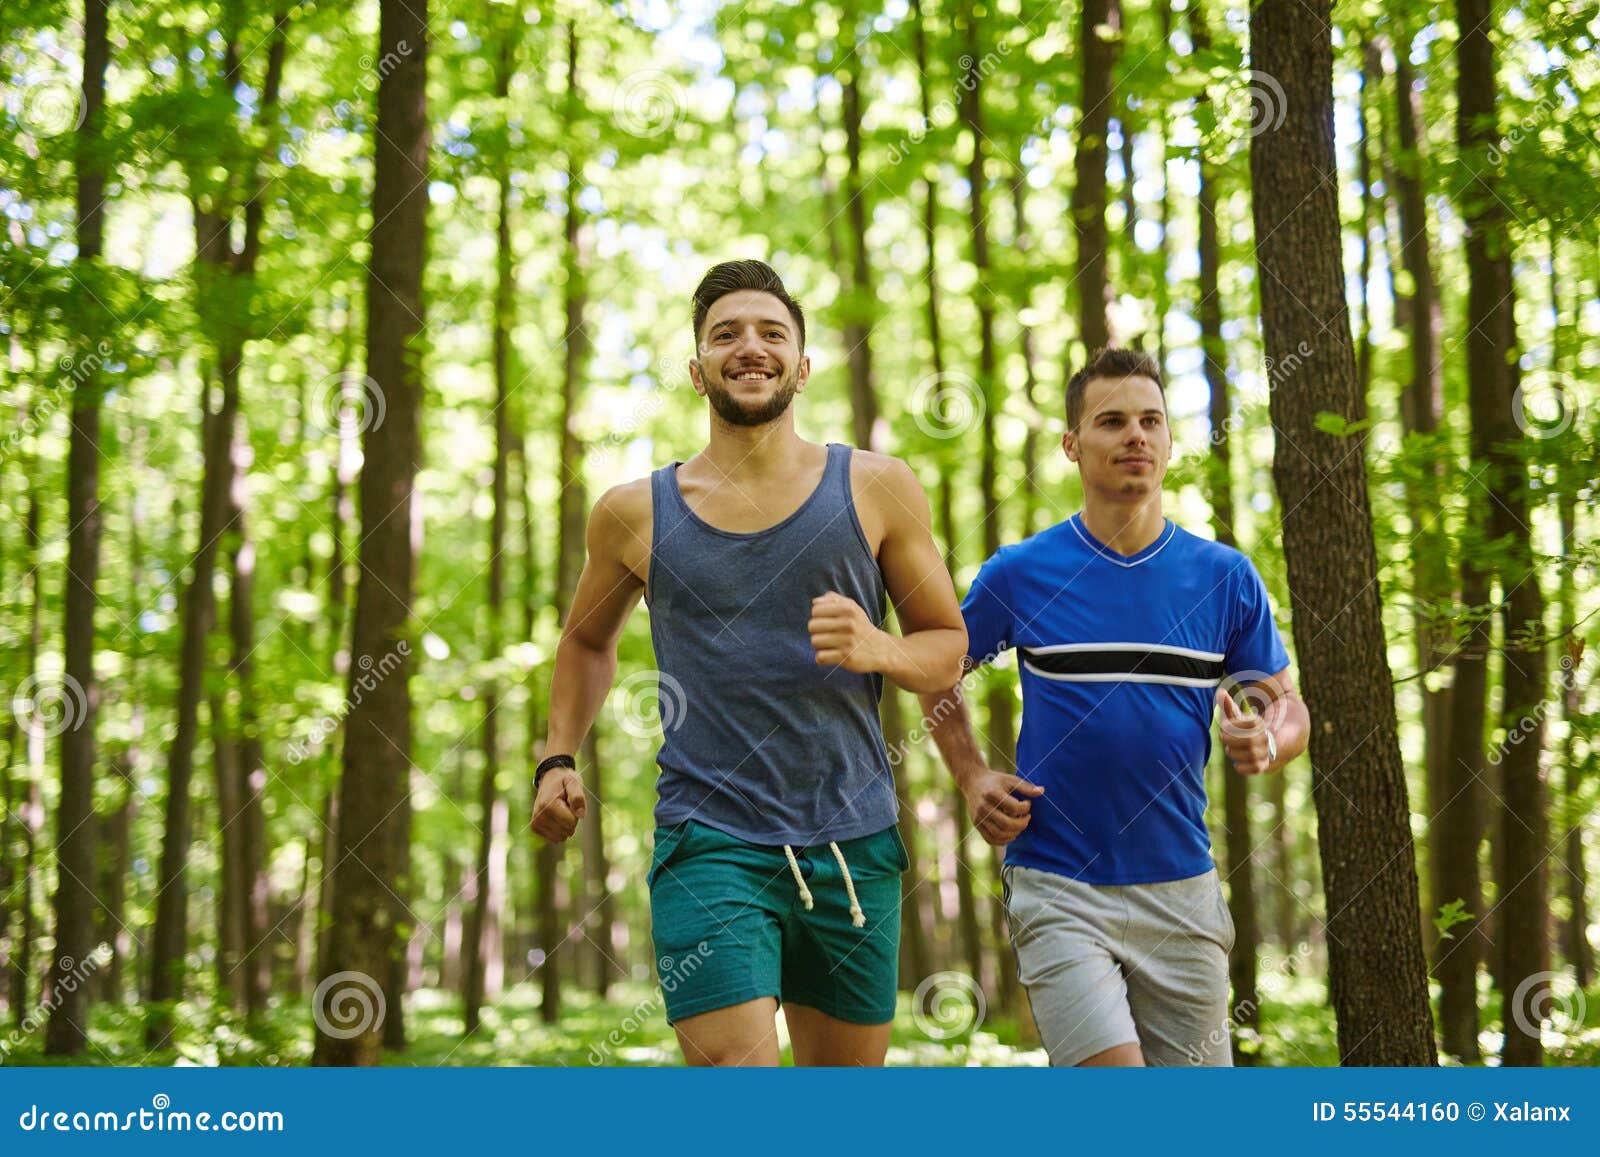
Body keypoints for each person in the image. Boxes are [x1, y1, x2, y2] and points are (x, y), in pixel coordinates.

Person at [530, 259, 966, 1066]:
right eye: (725, 333)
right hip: (710, 837)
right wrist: (558, 753)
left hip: (853, 840)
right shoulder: (633, 512)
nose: (749, 346)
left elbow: (947, 645)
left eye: (772, 331)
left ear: (802, 366)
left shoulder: (877, 486)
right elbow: (586, 640)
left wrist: (881, 647)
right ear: (698, 371)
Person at [919, 346, 1310, 1067]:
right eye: (1112, 421)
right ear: (1073, 444)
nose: (1135, 434)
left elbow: (1286, 704)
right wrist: (972, 775)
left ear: (1169, 441)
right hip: (1058, 884)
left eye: (1150, 420)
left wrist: (1271, 741)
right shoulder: (1021, 572)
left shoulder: (1224, 577)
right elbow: (936, 669)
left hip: (1182, 886)